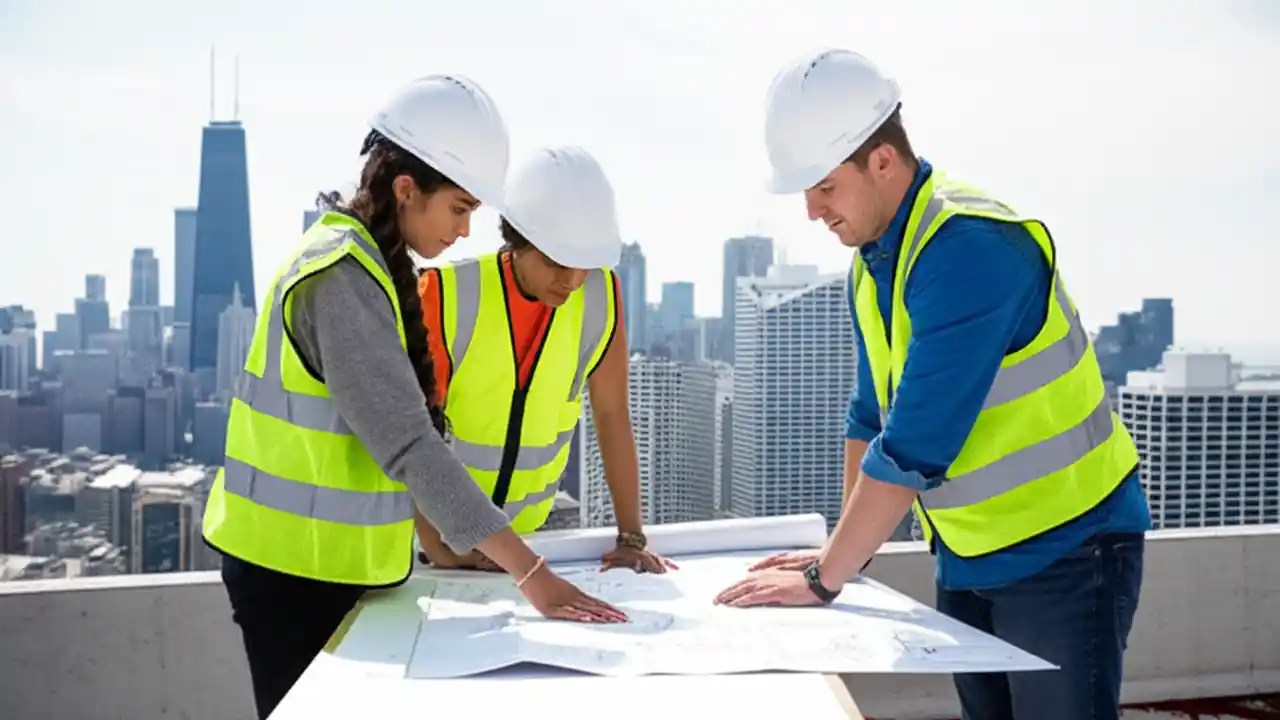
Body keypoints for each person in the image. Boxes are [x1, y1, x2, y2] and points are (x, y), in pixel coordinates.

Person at [715, 49, 1150, 720]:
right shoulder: (874, 262)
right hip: (968, 551)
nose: (811, 210)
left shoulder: (969, 249)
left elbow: (913, 446)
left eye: (824, 186)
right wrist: (842, 556)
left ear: (882, 161)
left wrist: (824, 579)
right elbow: (870, 416)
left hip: (1068, 550)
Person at [202, 76, 626, 720]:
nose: (465, 230)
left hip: (328, 567)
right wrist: (530, 572)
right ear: (406, 189)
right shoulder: (340, 279)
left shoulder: (367, 266)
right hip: (290, 575)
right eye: (458, 209)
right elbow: (409, 444)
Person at [415, 145, 675, 574]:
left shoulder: (601, 297)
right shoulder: (446, 294)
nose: (572, 280)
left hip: (527, 544)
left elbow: (612, 413)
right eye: (557, 262)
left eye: (584, 264)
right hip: (438, 546)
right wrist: (439, 548)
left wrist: (631, 538)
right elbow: (411, 437)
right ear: (518, 239)